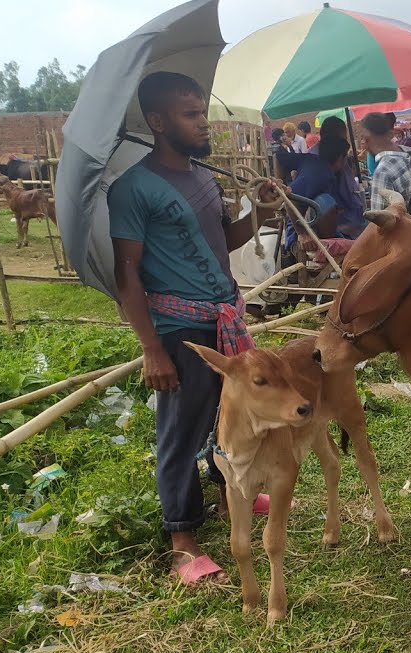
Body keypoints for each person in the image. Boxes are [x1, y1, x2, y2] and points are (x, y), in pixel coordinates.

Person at [109, 72, 283, 584]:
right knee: (182, 430)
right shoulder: (134, 188)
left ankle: (229, 485)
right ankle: (181, 540)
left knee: (223, 414)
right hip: (179, 328)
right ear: (158, 122)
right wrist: (151, 349)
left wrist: (262, 213)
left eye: (201, 111)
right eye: (189, 115)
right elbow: (127, 272)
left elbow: (219, 242)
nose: (202, 123)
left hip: (223, 316)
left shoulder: (204, 177)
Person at [361, 112, 411, 216]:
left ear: (366, 139)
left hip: (407, 231)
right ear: (390, 134)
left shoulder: (383, 172)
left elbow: (380, 225)